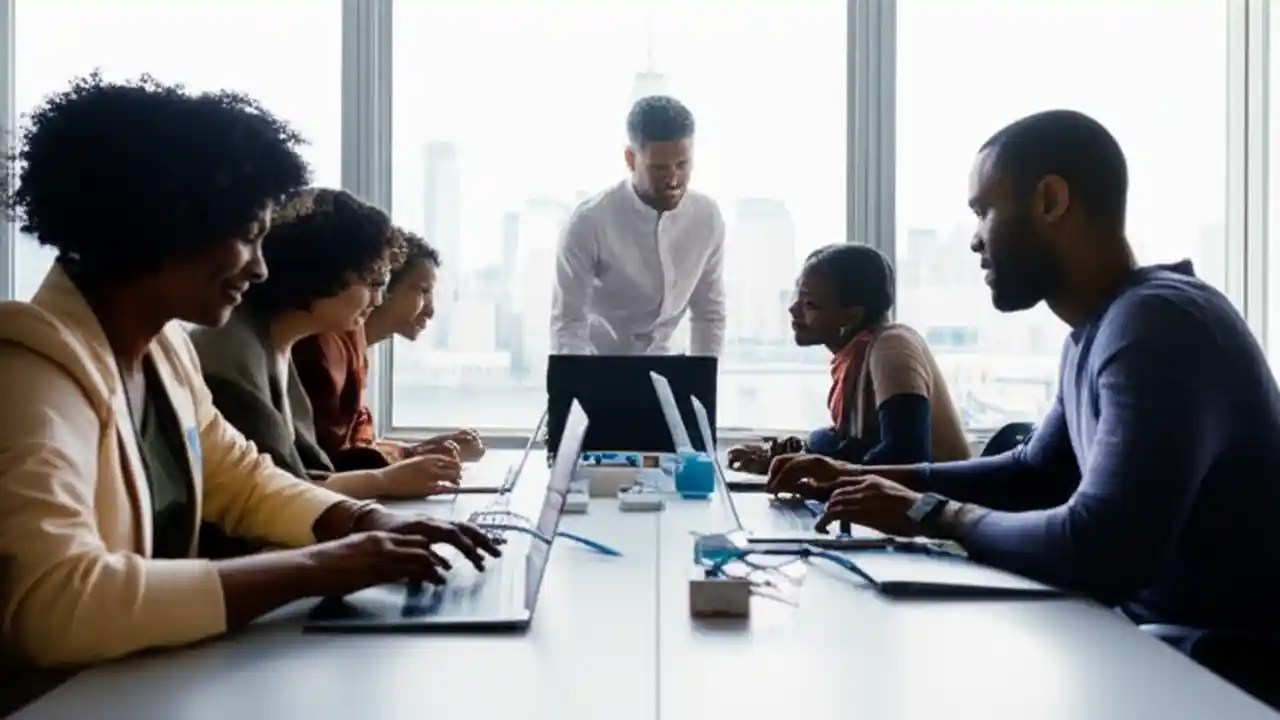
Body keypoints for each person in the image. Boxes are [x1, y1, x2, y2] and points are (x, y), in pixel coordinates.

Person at [0, 74, 499, 668]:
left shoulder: (166, 353)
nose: (261, 269)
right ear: (164, 223)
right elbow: (55, 605)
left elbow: (242, 480)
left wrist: (366, 520)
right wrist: (318, 567)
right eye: (247, 237)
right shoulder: (31, 375)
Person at [766, 109, 1280, 637]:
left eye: (984, 211)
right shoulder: (1097, 331)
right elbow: (1033, 475)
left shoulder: (1157, 324)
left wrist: (928, 512)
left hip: (1217, 670)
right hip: (1148, 639)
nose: (974, 240)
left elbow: (1102, 549)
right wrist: (857, 478)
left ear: (1050, 201)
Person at [190, 188, 461, 499]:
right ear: (324, 270)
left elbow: (289, 475)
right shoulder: (234, 353)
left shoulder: (276, 344)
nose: (376, 299)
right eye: (372, 282)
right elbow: (269, 490)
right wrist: (384, 482)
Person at [726, 244, 970, 474]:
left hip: (936, 511)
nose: (793, 309)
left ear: (851, 316)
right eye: (797, 297)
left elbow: (906, 455)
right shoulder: (858, 355)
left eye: (810, 303)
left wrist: (817, 469)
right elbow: (852, 447)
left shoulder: (892, 347)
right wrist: (780, 460)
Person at [292, 229, 485, 470]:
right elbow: (327, 458)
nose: (430, 310)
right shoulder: (326, 348)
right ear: (385, 285)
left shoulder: (355, 347)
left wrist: (417, 451)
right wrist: (414, 455)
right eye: (423, 291)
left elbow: (353, 445)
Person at [550, 94, 725, 356]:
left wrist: (702, 386)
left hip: (670, 371)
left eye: (682, 165)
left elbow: (708, 315)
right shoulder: (588, 223)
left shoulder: (706, 218)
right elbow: (569, 322)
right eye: (660, 168)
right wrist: (580, 385)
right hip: (600, 369)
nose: (674, 179)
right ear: (631, 159)